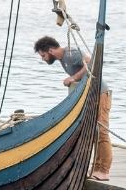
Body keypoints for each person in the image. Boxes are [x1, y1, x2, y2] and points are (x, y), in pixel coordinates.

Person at [34, 36, 113, 181]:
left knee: (102, 132)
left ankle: (104, 170)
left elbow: (92, 63)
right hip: (91, 95)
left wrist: (74, 78)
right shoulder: (62, 59)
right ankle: (97, 168)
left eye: (43, 55)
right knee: (93, 132)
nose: (43, 59)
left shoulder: (70, 54)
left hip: (101, 94)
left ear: (51, 50)